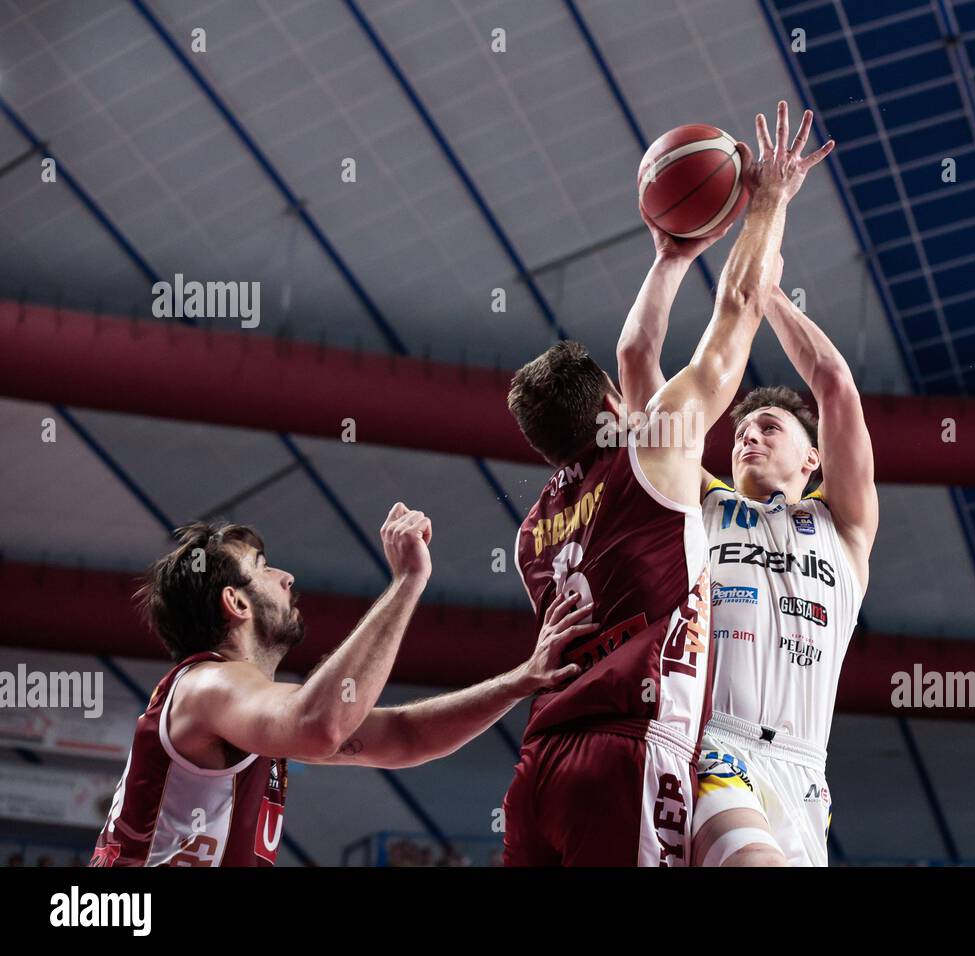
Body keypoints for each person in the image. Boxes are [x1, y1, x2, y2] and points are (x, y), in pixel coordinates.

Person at [501, 100, 830, 866]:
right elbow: (737, 313)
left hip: (537, 767)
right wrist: (771, 199)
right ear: (616, 411)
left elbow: (633, 351)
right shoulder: (652, 453)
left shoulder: (530, 536)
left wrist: (671, 258)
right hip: (628, 753)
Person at [618, 106, 872, 866]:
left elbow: (833, 383)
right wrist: (670, 261)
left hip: (805, 776)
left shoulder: (846, 528)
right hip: (713, 754)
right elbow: (637, 370)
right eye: (742, 428)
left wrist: (772, 296)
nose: (747, 434)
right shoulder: (700, 502)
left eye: (770, 429)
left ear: (812, 463)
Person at [90, 504, 585, 867]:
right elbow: (318, 724)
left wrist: (519, 681)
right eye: (263, 569)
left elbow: (406, 737)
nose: (286, 577)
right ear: (236, 604)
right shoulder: (208, 685)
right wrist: (407, 582)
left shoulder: (245, 712)